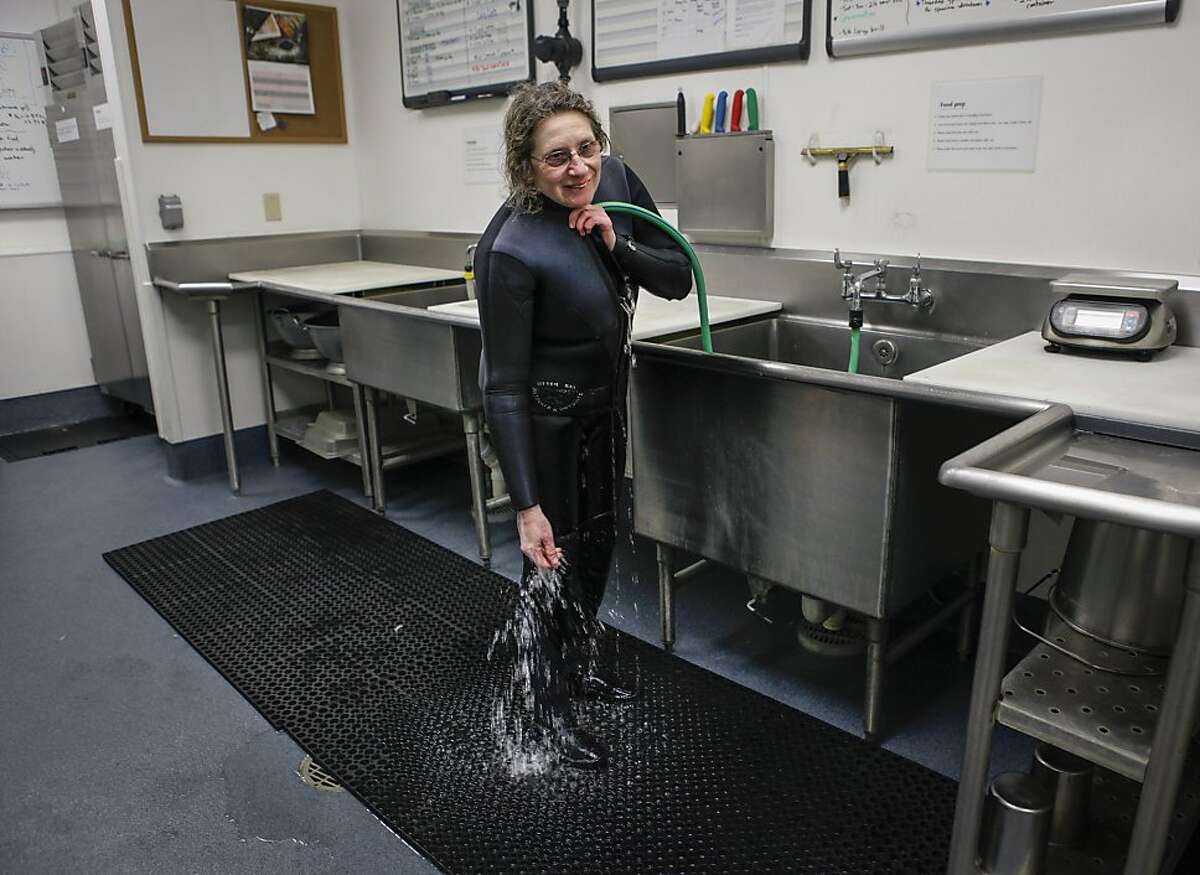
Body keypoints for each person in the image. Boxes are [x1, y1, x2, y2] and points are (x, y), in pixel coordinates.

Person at [475, 82, 692, 769]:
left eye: (586, 148)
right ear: (526, 167)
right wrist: (526, 504)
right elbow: (500, 384)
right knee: (549, 565)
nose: (578, 168)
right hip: (546, 423)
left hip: (605, 410)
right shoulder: (512, 247)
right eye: (556, 159)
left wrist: (614, 240)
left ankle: (579, 665)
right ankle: (541, 713)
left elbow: (678, 277)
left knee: (597, 544)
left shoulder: (617, 181)